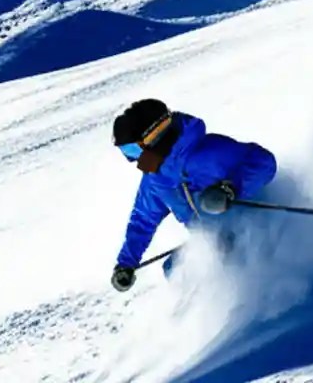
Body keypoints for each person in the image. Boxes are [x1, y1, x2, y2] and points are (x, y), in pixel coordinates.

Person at [109, 99, 277, 292]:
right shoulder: (156, 177)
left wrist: (230, 189)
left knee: (239, 264)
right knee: (176, 271)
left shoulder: (208, 154)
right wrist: (126, 262)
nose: (132, 159)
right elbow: (143, 219)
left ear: (154, 136)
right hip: (216, 241)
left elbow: (264, 162)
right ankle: (194, 315)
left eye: (133, 150)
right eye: (126, 152)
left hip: (257, 229)